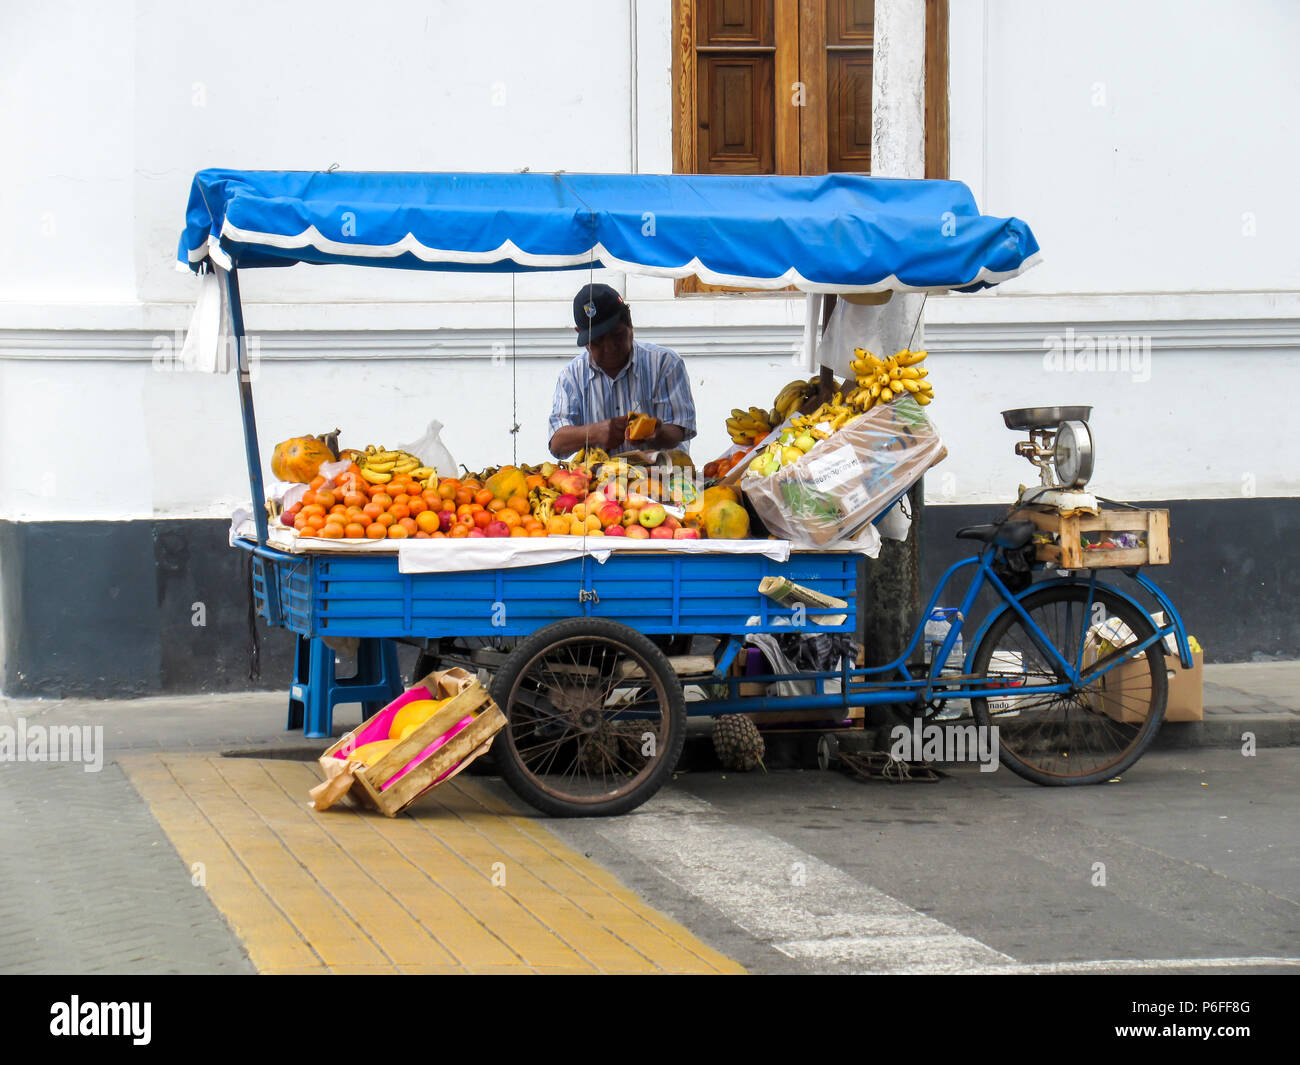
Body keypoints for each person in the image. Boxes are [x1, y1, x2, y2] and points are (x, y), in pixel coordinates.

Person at [548, 283, 697, 459]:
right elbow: (557, 443)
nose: (610, 348)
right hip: (598, 484)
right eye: (597, 341)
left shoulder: (665, 363)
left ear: (631, 328)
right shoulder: (572, 376)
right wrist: (595, 432)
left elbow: (680, 429)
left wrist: (658, 433)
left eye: (617, 336)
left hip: (661, 480)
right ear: (580, 334)